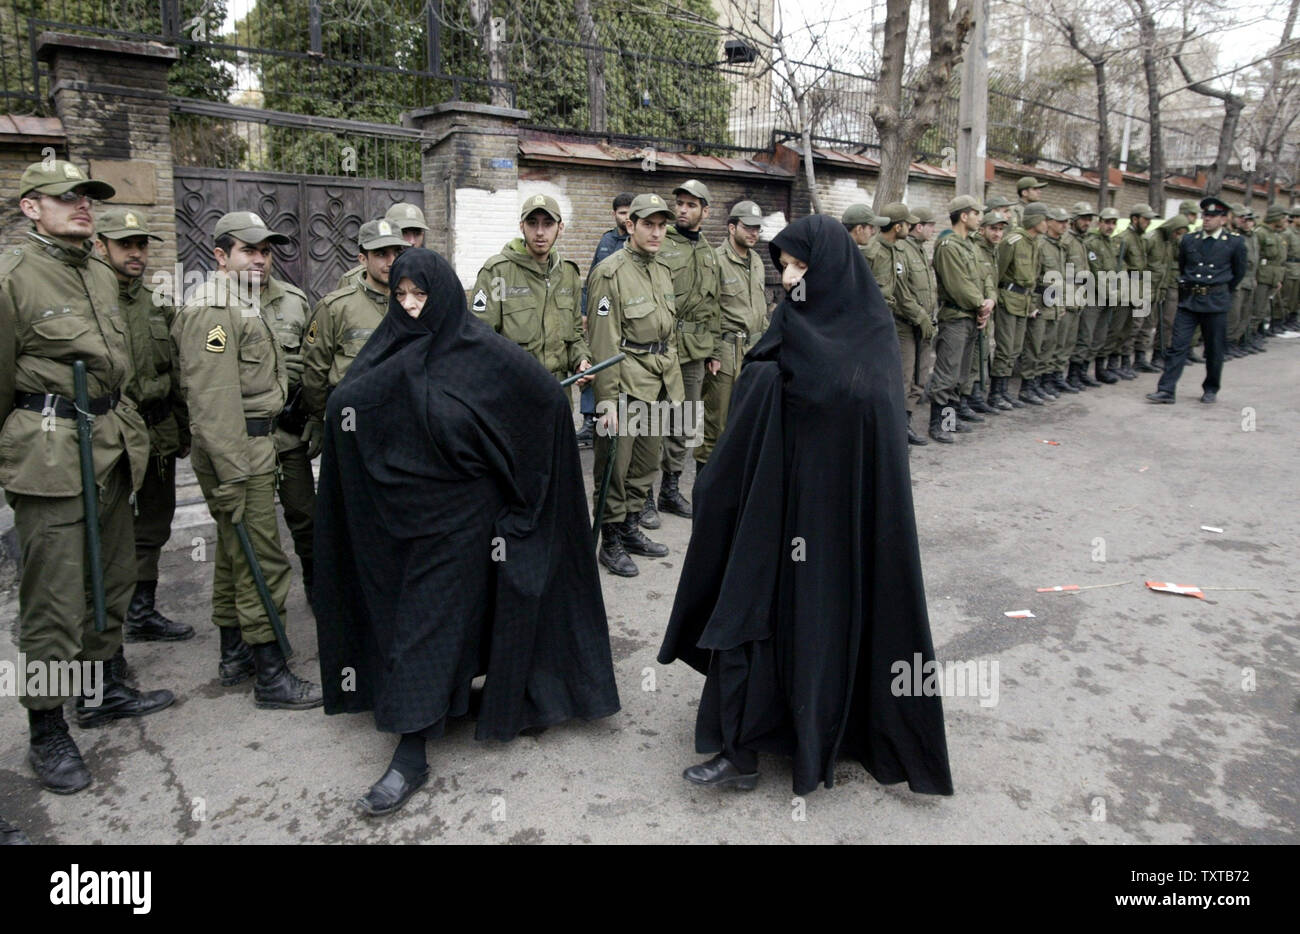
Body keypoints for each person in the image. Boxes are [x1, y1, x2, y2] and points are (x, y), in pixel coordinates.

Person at [313, 248, 620, 817]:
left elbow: (545, 400)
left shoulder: (478, 352)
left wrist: (518, 488)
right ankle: (453, 699)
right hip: (400, 518)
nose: (408, 307)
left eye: (420, 296)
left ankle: (411, 749)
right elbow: (349, 404)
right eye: (399, 296)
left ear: (445, 297)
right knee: (420, 617)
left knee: (424, 626)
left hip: (463, 520)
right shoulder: (389, 350)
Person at [657, 214, 952, 797]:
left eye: (799, 266)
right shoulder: (788, 325)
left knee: (819, 632)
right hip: (772, 514)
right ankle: (739, 751)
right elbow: (757, 413)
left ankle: (819, 739)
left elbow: (867, 429)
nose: (789, 278)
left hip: (835, 533)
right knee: (749, 617)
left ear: (831, 269)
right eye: (784, 266)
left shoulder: (869, 337)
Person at [1, 160, 175, 795]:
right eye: (65, 197)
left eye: (87, 196)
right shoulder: (13, 279)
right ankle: (47, 730)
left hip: (109, 446)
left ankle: (102, 689)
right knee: (53, 601)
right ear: (30, 208)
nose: (82, 205)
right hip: (48, 455)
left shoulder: (99, 274)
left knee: (113, 576)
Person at [172, 211, 323, 708]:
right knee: (265, 559)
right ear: (220, 255)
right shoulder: (216, 308)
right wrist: (235, 474)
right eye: (247, 250)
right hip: (241, 451)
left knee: (236, 554)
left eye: (264, 251)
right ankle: (272, 675)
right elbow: (213, 404)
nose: (259, 258)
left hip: (255, 445)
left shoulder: (239, 301)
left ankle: (235, 654)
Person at [92, 207, 193, 641]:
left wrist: (184, 428)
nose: (136, 253)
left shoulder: (159, 303)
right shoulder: (90, 302)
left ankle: (141, 613)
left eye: (140, 244)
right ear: (101, 246)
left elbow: (178, 374)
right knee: (107, 532)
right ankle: (104, 631)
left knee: (154, 524)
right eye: (124, 244)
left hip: (158, 432)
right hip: (108, 436)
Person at [586, 193, 683, 577]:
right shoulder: (609, 273)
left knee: (644, 465)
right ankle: (609, 541)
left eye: (662, 226)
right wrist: (606, 402)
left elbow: (669, 332)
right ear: (630, 226)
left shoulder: (662, 270)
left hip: (658, 381)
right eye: (649, 224)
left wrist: (672, 381)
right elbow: (604, 343)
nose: (657, 232)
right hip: (625, 382)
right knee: (615, 466)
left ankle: (629, 530)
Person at [648, 180, 719, 526]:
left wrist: (714, 349)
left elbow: (714, 304)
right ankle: (642, 495)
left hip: (695, 352)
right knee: (650, 422)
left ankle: (670, 489)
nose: (682, 210)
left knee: (684, 422)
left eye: (691, 205)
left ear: (706, 211)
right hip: (663, 347)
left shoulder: (709, 251)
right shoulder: (662, 244)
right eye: (680, 203)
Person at [302, 219, 406, 446]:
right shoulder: (336, 307)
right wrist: (318, 417)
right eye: (380, 254)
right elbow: (315, 369)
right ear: (362, 259)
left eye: (396, 253)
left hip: (402, 421)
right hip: (353, 420)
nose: (391, 262)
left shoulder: (413, 303)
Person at [471, 194, 592, 384]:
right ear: (521, 226)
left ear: (560, 228)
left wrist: (581, 360)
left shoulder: (568, 274)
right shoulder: (497, 272)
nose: (540, 232)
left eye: (548, 224)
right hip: (514, 390)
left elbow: (575, 336)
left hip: (558, 391)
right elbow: (480, 338)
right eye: (532, 223)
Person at [1146, 196, 1247, 405]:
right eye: (1205, 215)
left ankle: (1210, 389)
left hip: (1215, 302)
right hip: (1190, 300)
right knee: (1178, 346)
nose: (1207, 219)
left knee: (1214, 348)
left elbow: (1238, 273)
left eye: (1213, 216)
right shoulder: (1190, 240)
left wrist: (1219, 290)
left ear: (1223, 220)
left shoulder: (1235, 243)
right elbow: (1184, 267)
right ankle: (1166, 390)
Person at [696, 200, 767, 471]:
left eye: (757, 229)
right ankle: (705, 479)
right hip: (726, 351)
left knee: (747, 418)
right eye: (748, 228)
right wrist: (712, 352)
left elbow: (760, 308)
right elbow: (707, 308)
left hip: (754, 350)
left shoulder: (758, 261)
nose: (753, 234)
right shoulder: (715, 260)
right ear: (731, 227)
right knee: (717, 420)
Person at [928, 194, 992, 443]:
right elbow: (958, 285)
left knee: (961, 374)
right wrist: (980, 303)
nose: (979, 218)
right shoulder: (948, 246)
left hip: (970, 317)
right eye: (976, 213)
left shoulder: (969, 245)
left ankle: (950, 420)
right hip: (955, 317)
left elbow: (981, 276)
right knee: (947, 374)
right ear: (964, 216)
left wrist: (987, 302)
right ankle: (938, 424)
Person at [577, 193, 635, 447]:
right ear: (614, 215)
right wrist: (583, 311)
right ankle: (590, 420)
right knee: (593, 365)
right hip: (600, 317)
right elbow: (591, 279)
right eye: (621, 213)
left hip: (626, 319)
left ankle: (620, 420)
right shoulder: (606, 241)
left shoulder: (637, 243)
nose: (626, 217)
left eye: (629, 213)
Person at [995, 201, 1045, 407]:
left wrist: (1032, 304)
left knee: (1015, 349)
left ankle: (1004, 391)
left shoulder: (1035, 243)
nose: (1047, 224)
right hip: (1008, 300)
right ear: (1034, 221)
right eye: (1044, 219)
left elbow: (1034, 278)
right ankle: (996, 393)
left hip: (1024, 302)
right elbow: (997, 273)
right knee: (1005, 349)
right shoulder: (1012, 241)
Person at [964, 209, 1006, 410]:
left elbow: (992, 282)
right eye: (993, 229)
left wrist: (992, 300)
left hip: (987, 306)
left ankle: (976, 396)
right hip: (975, 307)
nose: (997, 233)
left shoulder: (993, 250)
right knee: (972, 355)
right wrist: (983, 304)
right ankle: (969, 398)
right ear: (982, 230)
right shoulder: (976, 249)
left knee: (982, 352)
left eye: (1000, 229)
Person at [337, 203, 428, 289]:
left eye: (417, 233)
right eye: (404, 232)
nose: (412, 241)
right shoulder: (352, 279)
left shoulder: (431, 273)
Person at [1084, 207, 1121, 384]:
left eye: (1113, 223)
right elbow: (1096, 272)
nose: (1110, 226)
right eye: (1107, 222)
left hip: (1109, 296)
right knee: (1087, 336)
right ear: (1099, 223)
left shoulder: (1112, 243)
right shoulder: (1092, 243)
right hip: (1094, 295)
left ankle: (1099, 370)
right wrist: (1110, 293)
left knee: (1101, 336)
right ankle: (1081, 372)